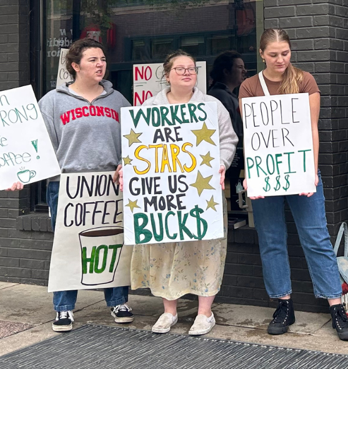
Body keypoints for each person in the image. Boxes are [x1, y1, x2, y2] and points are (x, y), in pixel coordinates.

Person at [237, 27, 348, 341]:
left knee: (316, 237)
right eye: (274, 54)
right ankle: (283, 304)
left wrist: (311, 169)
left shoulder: (305, 80)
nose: (280, 60)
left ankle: (336, 306)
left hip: (301, 171)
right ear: (261, 54)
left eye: (285, 53)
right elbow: (253, 136)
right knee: (272, 239)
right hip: (266, 172)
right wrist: (252, 169)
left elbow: (312, 129)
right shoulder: (249, 87)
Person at [20, 36, 133, 332]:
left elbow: (132, 142)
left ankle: (118, 300)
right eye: (93, 60)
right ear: (75, 66)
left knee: (113, 242)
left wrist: (126, 164)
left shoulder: (118, 100)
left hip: (111, 184)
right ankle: (64, 308)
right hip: (68, 185)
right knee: (68, 246)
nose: (100, 65)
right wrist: (22, 174)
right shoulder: (53, 101)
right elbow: (39, 146)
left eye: (103, 59)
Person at [131, 51, 239, 336]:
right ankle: (169, 311)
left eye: (191, 68)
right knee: (165, 247)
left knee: (206, 249)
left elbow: (229, 140)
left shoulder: (212, 106)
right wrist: (126, 167)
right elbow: (136, 146)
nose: (187, 73)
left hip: (204, 193)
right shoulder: (150, 107)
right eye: (180, 69)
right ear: (167, 75)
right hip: (165, 195)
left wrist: (221, 163)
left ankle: (205, 313)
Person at [208, 50, 248, 199]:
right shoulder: (219, 97)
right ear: (226, 71)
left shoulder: (228, 96)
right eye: (239, 67)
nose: (244, 71)